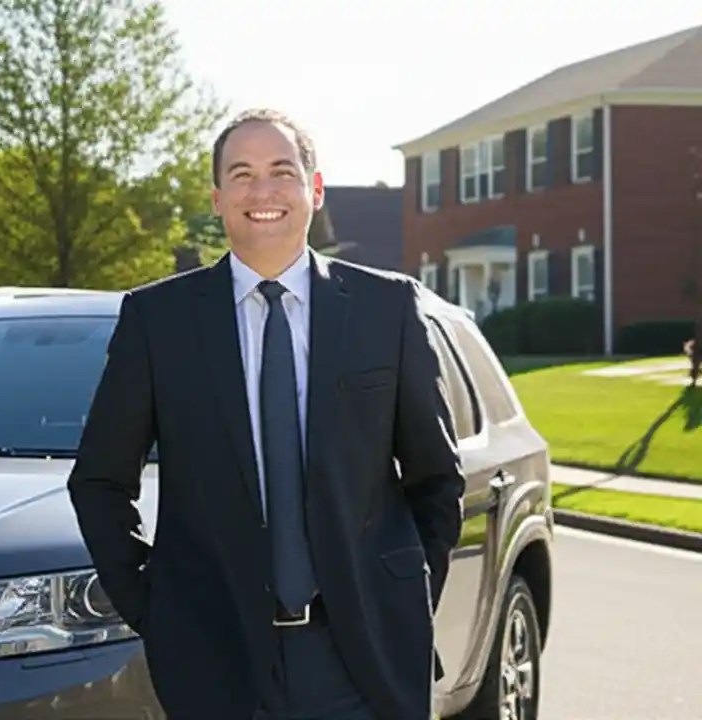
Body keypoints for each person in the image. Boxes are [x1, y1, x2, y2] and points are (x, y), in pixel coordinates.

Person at [67, 108, 466, 720]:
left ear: (315, 188)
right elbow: (99, 481)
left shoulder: (386, 309)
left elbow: (436, 478)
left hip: (362, 659)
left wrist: (402, 598)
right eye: (243, 174)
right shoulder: (159, 322)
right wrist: (156, 611)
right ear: (218, 198)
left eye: (282, 171)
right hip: (215, 659)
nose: (264, 192)